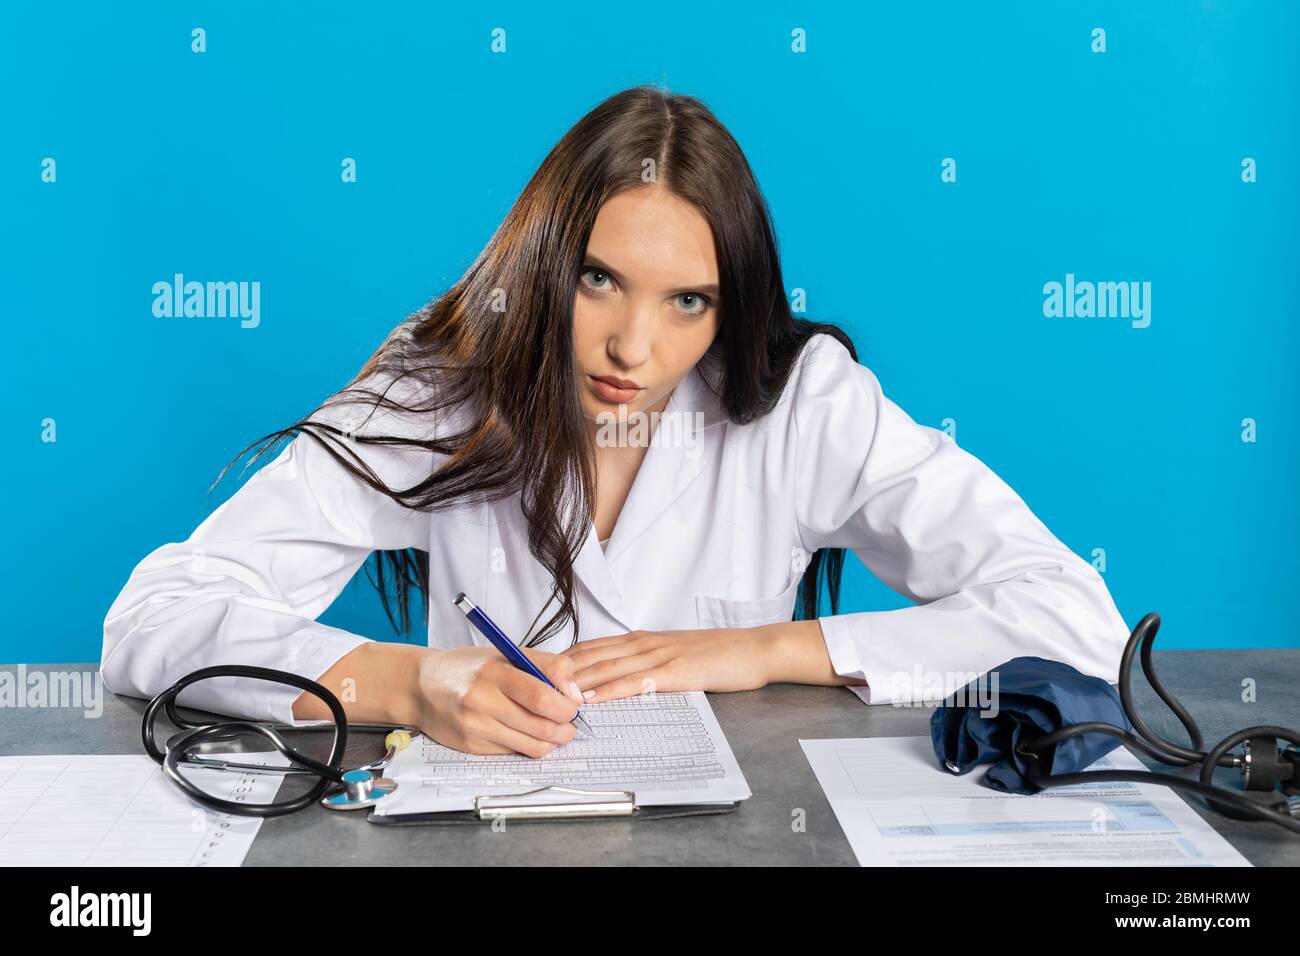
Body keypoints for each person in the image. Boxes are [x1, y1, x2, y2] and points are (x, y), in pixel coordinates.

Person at [102, 85, 1129, 758]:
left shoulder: (800, 401)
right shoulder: (439, 386)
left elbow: (1076, 620)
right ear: (543, 264)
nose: (632, 348)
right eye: (599, 280)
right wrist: (408, 683)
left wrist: (763, 649)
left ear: (731, 306)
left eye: (688, 301)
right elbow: (149, 621)